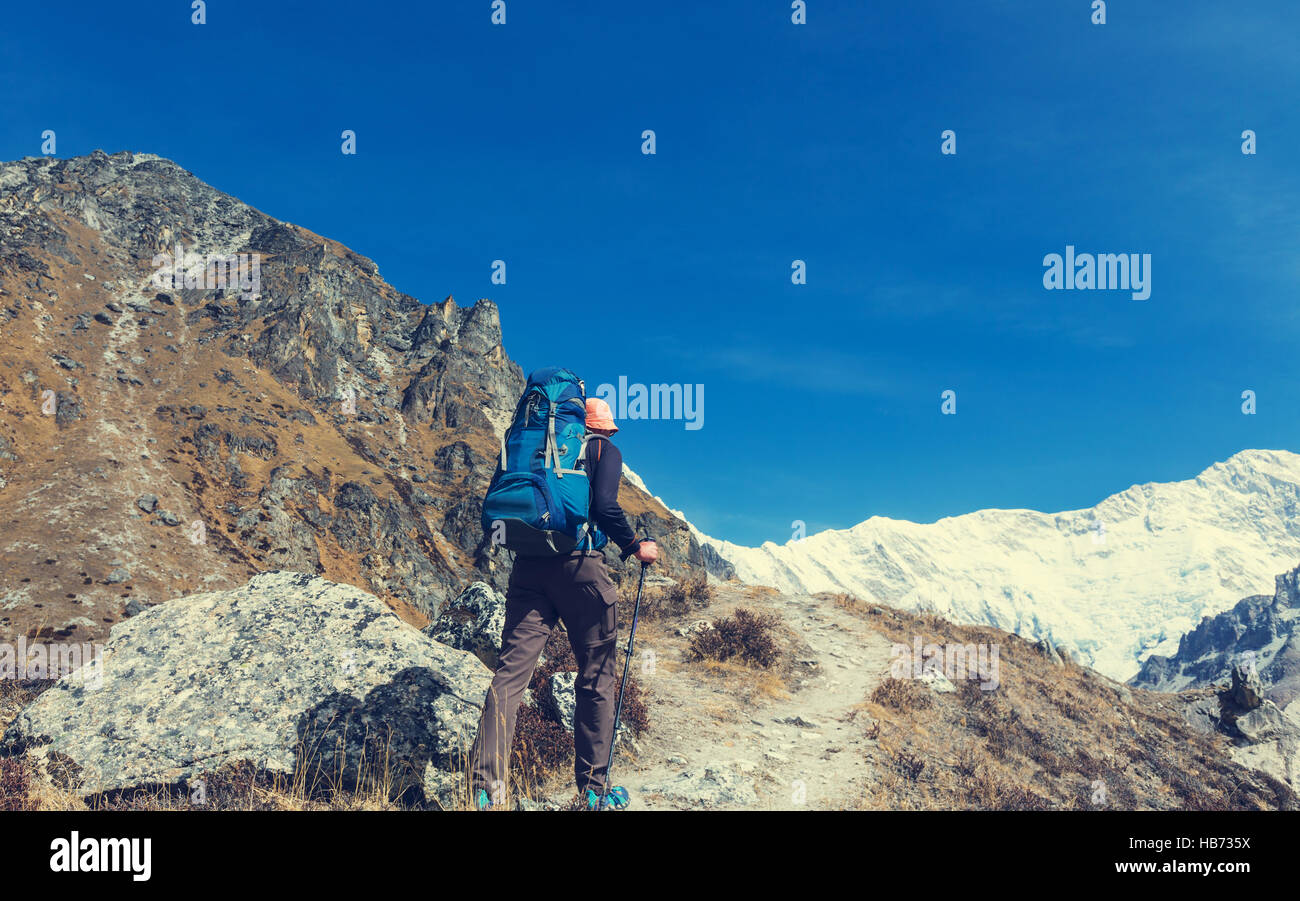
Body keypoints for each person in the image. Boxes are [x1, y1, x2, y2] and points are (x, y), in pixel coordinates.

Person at [469, 396, 659, 810]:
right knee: (596, 678)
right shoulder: (602, 450)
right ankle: (594, 791)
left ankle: (486, 789)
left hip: (528, 570)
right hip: (579, 570)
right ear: (603, 428)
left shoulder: (528, 447)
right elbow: (606, 507)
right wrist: (635, 545)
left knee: (510, 677)